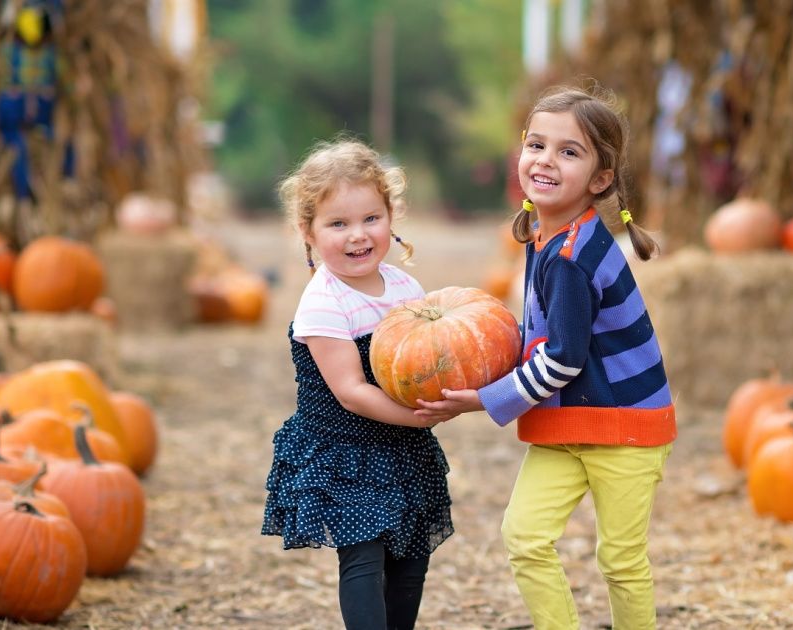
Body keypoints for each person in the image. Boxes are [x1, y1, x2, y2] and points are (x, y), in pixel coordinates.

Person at [418, 86, 676, 629]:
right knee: (525, 536)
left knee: (620, 559)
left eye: (569, 152)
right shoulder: (548, 239)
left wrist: (483, 398)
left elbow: (562, 359)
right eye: (536, 145)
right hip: (571, 422)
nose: (545, 160)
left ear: (600, 179)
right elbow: (543, 334)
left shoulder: (571, 259)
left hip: (625, 427)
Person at [261, 139, 457, 630]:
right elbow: (350, 390)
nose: (358, 235)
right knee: (364, 559)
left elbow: (423, 357)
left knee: (411, 559)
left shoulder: (406, 288)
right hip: (345, 449)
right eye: (338, 224)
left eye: (371, 218)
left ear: (392, 216)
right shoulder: (324, 303)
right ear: (307, 231)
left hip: (402, 447)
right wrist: (418, 416)